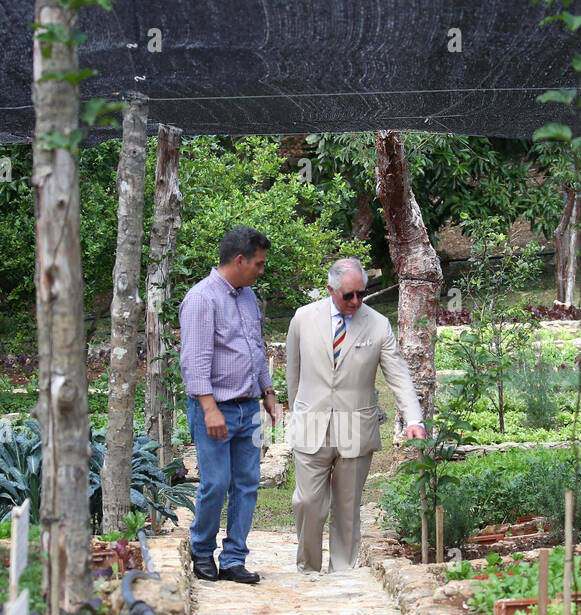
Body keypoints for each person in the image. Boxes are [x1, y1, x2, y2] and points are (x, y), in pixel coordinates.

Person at [286, 257, 425, 573]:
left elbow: (398, 375)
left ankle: (343, 573)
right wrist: (297, 414)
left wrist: (414, 418)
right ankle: (307, 568)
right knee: (307, 502)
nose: (355, 301)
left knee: (347, 507)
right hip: (311, 427)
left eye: (361, 294)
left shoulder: (378, 324)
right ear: (330, 289)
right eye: (348, 295)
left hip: (356, 429)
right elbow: (293, 373)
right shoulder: (303, 318)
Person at [178, 226, 281, 584]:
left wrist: (267, 390)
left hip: (248, 408)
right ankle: (201, 550)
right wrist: (209, 409)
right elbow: (194, 361)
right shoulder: (201, 299)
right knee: (216, 484)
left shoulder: (248, 296)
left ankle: (234, 557)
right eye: (259, 264)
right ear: (240, 260)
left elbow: (256, 346)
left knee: (247, 483)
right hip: (215, 409)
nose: (261, 270)